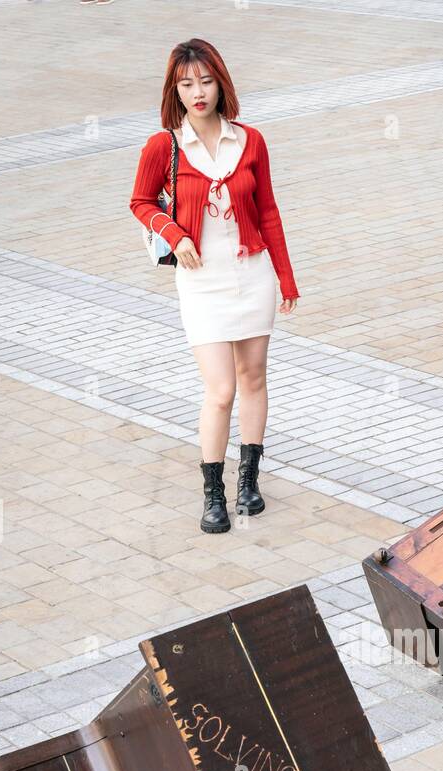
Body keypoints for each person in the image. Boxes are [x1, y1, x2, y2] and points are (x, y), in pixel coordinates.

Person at [129, 38, 300, 533]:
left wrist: (286, 277)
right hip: (202, 283)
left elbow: (267, 210)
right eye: (186, 84)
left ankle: (249, 483)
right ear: (175, 90)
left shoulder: (250, 141)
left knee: (254, 379)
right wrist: (175, 234)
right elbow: (141, 201)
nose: (197, 92)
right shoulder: (164, 145)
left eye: (205, 81)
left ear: (220, 82)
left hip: (253, 275)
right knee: (221, 389)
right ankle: (213, 494)